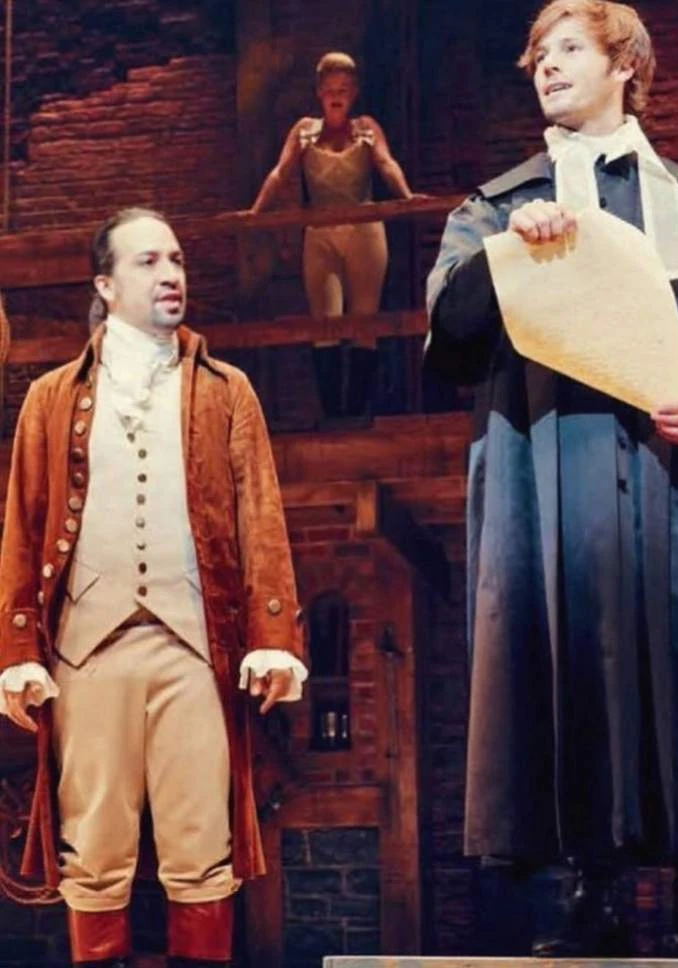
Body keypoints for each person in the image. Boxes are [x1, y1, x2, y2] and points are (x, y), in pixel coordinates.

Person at [426, 0, 678, 957]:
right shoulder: (498, 207)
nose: (544, 67)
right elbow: (448, 336)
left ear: (624, 64)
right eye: (536, 55)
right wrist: (508, 252)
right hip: (546, 468)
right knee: (568, 659)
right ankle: (589, 890)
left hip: (669, 472)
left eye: (567, 50)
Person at [0, 207, 308, 968]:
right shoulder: (51, 398)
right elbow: (22, 527)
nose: (170, 275)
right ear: (105, 285)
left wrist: (273, 636)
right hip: (86, 650)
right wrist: (16, 648)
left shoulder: (227, 391)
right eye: (147, 262)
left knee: (201, 845)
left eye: (176, 260)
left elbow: (260, 516)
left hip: (192, 649)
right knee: (93, 848)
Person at [250, 51, 415, 420]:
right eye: (329, 89)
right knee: (324, 322)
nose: (336, 96)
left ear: (353, 92)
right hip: (321, 232)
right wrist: (255, 212)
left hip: (364, 229)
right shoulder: (305, 131)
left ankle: (356, 412)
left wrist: (407, 197)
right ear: (319, 93)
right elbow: (280, 172)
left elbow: (386, 163)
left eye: (343, 89)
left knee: (364, 320)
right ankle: (332, 415)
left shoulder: (366, 128)